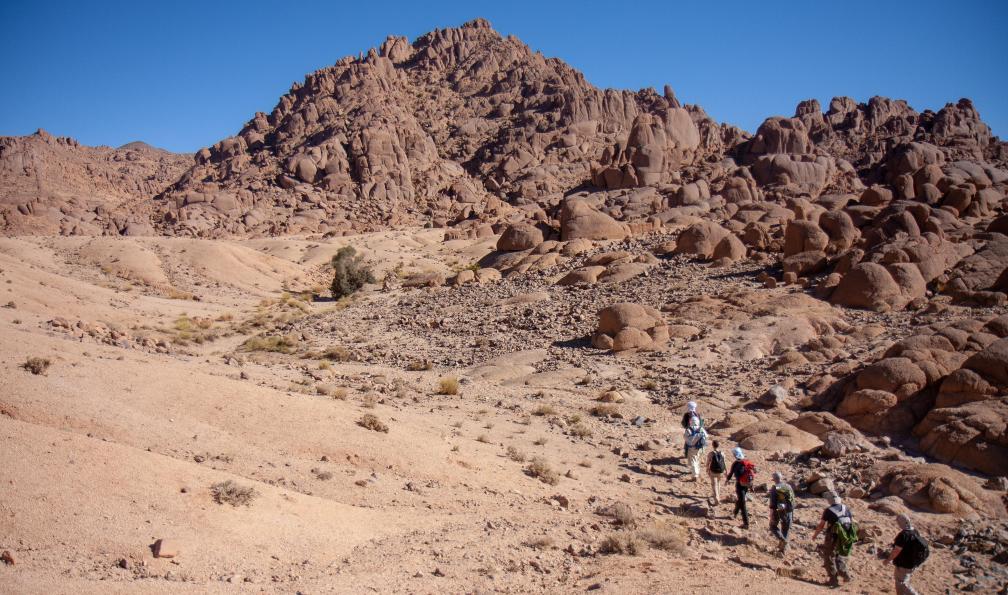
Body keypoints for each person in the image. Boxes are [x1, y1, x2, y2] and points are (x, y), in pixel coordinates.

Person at [811, 493, 857, 588]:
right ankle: (845, 574)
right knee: (839, 555)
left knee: (829, 556)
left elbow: (821, 525)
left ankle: (833, 580)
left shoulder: (828, 510)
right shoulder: (846, 508)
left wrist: (815, 535)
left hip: (832, 536)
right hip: (845, 536)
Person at [886, 514, 929, 595]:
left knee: (902, 583)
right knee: (901, 582)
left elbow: (896, 551)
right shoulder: (915, 531)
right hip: (912, 563)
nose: (898, 523)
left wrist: (888, 560)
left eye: (898, 522)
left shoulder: (903, 535)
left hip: (904, 564)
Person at [725, 447, 755, 529]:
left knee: (742, 504)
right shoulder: (747, 461)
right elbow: (751, 474)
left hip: (740, 485)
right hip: (746, 485)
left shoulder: (735, 463)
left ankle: (746, 523)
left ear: (735, 455)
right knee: (740, 500)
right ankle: (734, 513)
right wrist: (751, 485)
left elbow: (731, 473)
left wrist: (727, 480)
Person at [768, 471, 795, 553]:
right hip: (789, 510)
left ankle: (782, 540)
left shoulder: (774, 488)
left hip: (779, 510)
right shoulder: (788, 486)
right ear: (781, 478)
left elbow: (772, 504)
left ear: (774, 479)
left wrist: (771, 514)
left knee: (772, 526)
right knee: (785, 528)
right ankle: (783, 550)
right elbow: (792, 498)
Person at [682, 416, 708, 482]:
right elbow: (706, 436)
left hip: (692, 448)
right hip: (700, 448)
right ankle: (697, 472)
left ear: (691, 422)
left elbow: (685, 437)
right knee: (698, 460)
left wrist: (691, 440)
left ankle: (695, 475)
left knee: (693, 461)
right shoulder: (701, 429)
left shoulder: (689, 429)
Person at [706, 439, 726, 504]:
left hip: (713, 471)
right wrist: (726, 470)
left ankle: (716, 498)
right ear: (718, 445)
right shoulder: (722, 453)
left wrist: (707, 469)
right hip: (720, 471)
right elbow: (724, 462)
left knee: (714, 484)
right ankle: (718, 495)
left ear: (712, 445)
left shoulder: (711, 453)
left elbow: (708, 462)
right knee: (718, 483)